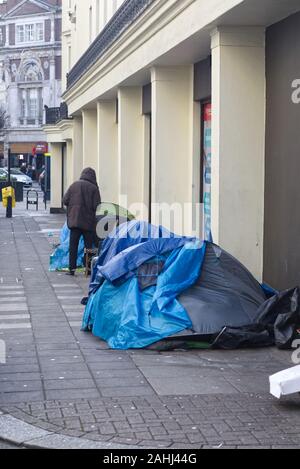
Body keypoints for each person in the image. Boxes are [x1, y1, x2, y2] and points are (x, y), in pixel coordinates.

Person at [63, 167, 101, 276]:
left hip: (74, 222)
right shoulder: (94, 188)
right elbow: (97, 205)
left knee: (73, 245)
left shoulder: (74, 185)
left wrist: (72, 208)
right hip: (88, 223)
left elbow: (65, 200)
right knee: (88, 246)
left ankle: (72, 269)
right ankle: (88, 269)